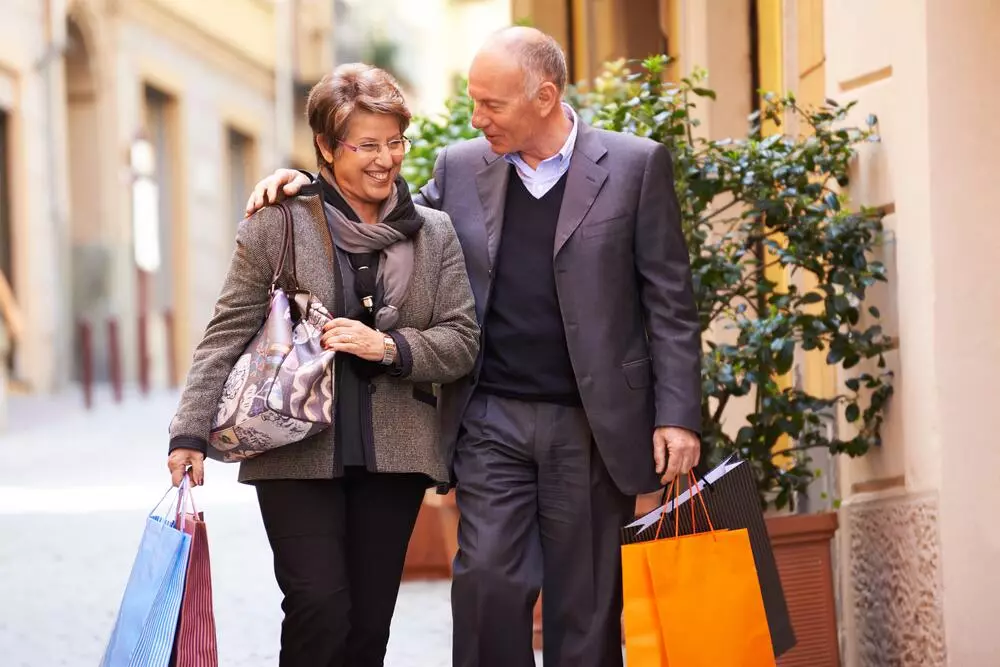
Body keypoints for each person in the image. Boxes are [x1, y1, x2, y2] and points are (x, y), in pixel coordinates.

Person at [245, 27, 702, 667]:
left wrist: (677, 414)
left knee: (588, 604)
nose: (475, 117)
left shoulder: (633, 166)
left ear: (544, 97)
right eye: (473, 101)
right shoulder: (461, 166)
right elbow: (385, 217)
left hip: (594, 425)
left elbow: (670, 302)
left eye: (491, 104)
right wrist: (303, 183)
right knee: (487, 586)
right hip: (490, 416)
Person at [166, 63, 480, 667]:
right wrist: (189, 431)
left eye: (394, 142)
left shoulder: (433, 233)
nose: (384, 159)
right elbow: (227, 329)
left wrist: (387, 347)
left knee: (368, 626)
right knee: (317, 605)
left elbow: (462, 339)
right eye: (366, 145)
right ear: (326, 148)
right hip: (293, 449)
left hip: (396, 453)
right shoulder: (278, 222)